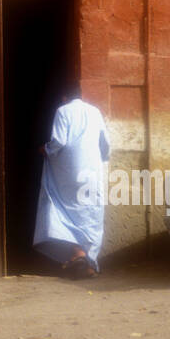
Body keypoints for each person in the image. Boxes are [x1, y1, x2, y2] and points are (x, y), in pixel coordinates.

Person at [33, 85, 111, 279]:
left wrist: (46, 149)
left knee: (65, 209)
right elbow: (106, 144)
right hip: (92, 171)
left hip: (68, 172)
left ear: (64, 96)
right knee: (89, 212)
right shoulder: (95, 111)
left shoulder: (63, 110)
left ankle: (79, 255)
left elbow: (59, 141)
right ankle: (87, 261)